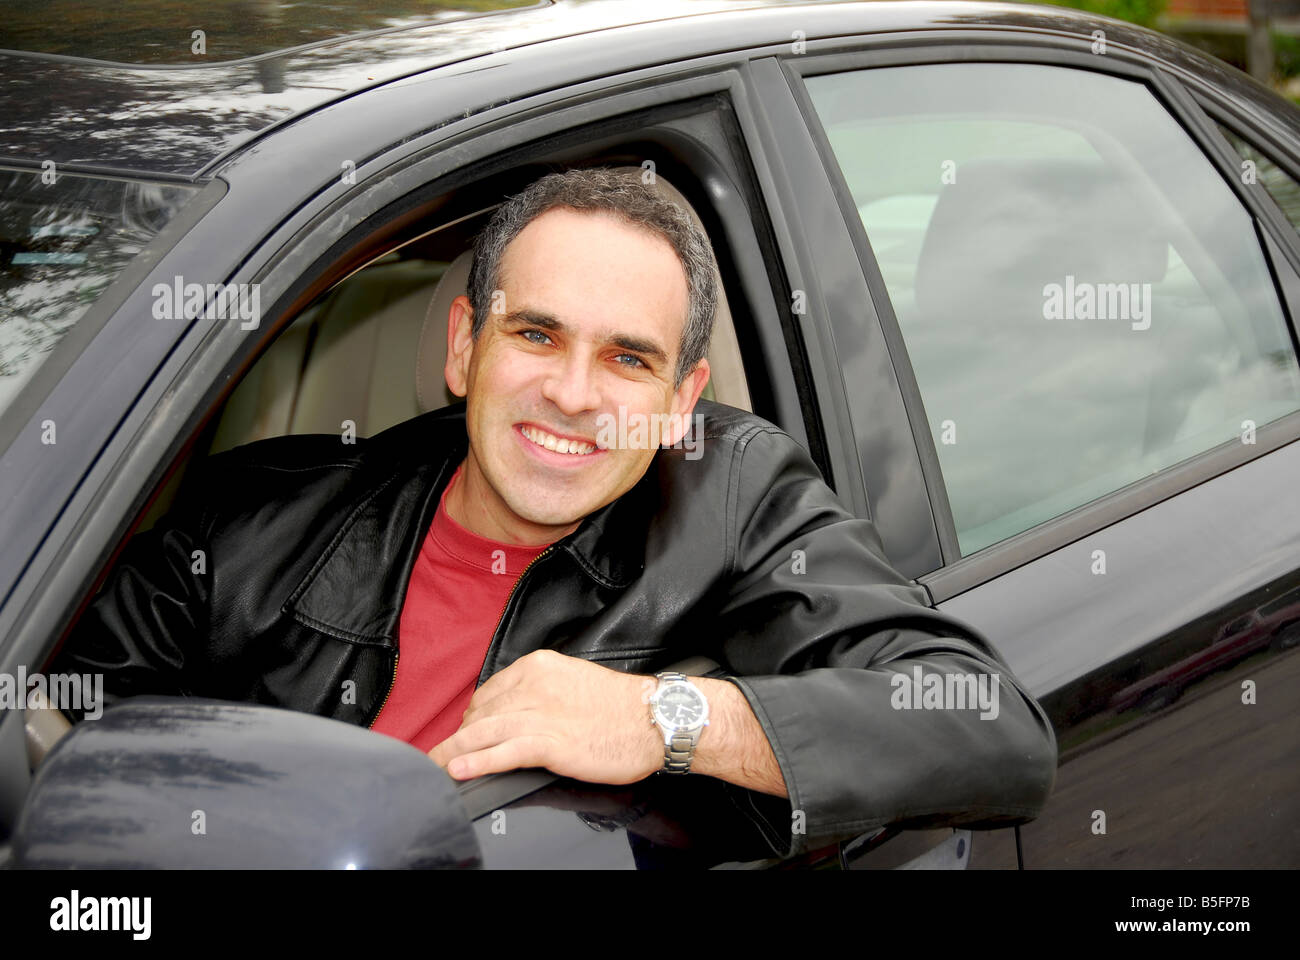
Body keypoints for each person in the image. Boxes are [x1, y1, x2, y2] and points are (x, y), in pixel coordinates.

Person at [50, 167, 1057, 859]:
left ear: (678, 401)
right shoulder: (254, 518)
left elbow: (991, 731)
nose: (574, 394)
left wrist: (663, 717)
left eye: (628, 358)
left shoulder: (736, 498)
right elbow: (50, 741)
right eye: (535, 333)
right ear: (463, 350)